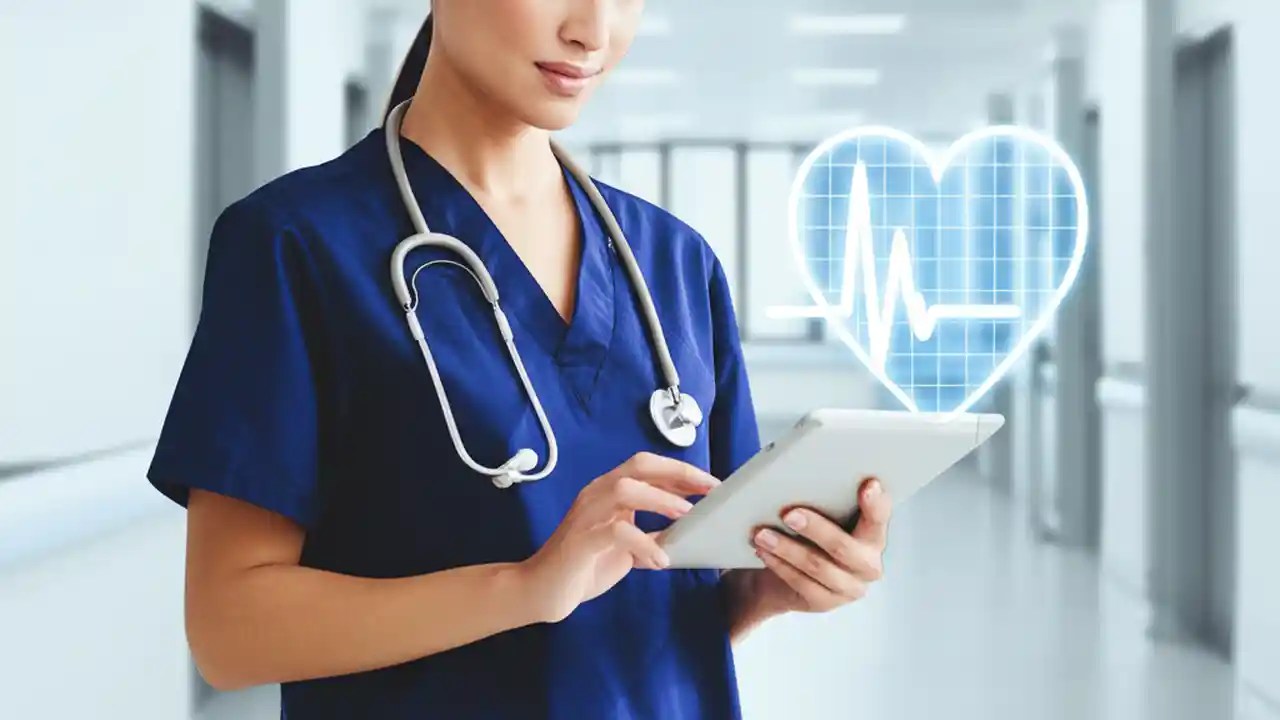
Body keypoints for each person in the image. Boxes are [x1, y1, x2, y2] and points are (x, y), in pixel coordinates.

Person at [146, 2, 894, 718]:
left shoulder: (673, 262)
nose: (592, 30)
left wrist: (772, 587)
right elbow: (229, 631)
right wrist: (525, 588)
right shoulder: (296, 244)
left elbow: (673, 601)